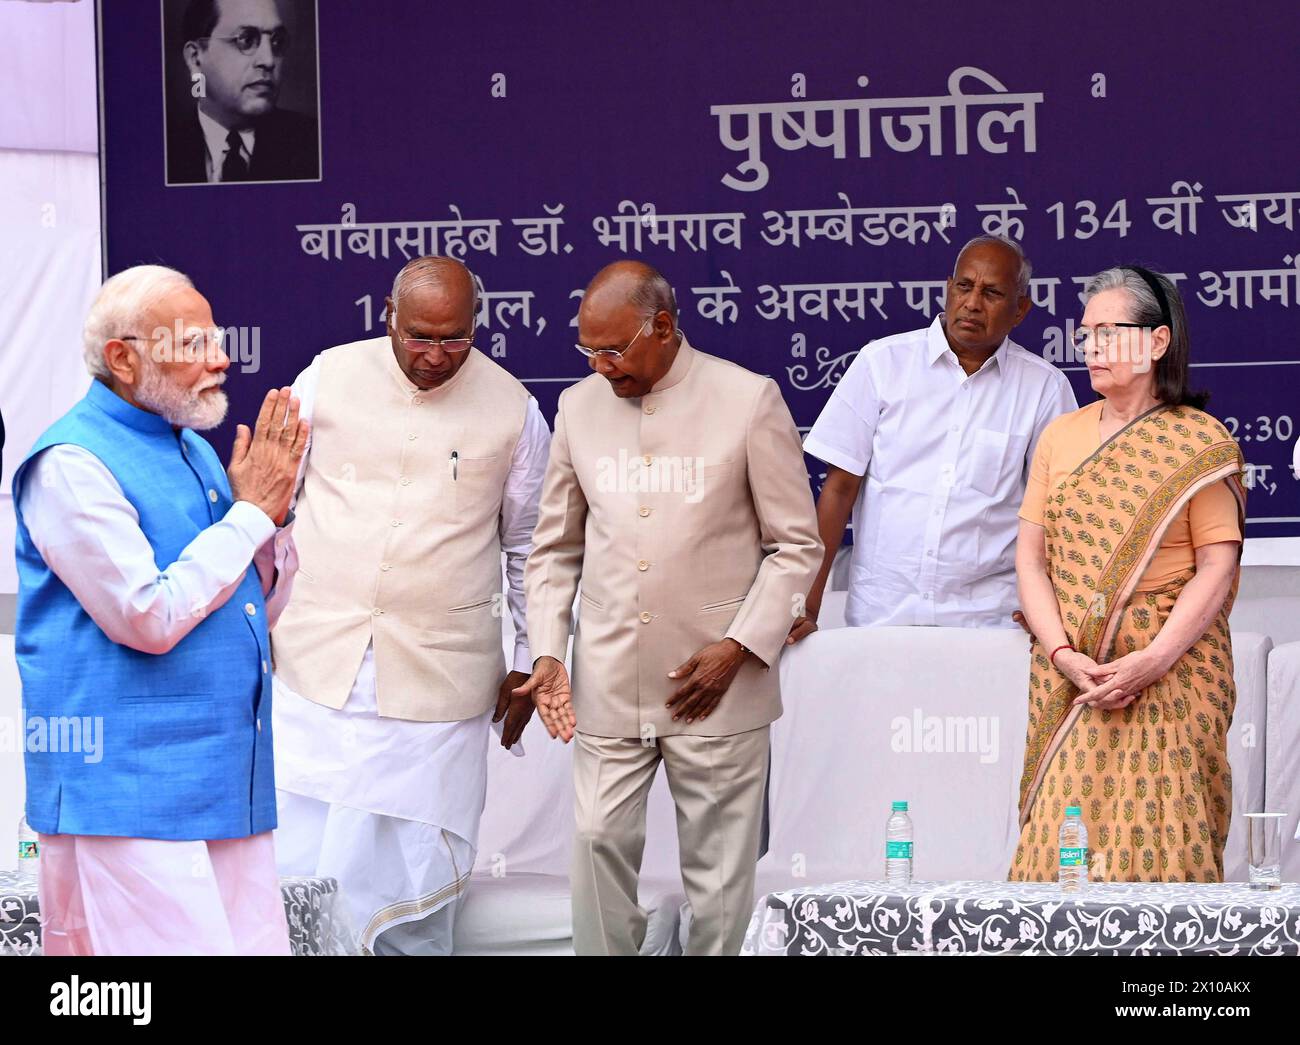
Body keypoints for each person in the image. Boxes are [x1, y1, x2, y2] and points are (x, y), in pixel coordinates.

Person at [515, 260, 822, 956]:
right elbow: (554, 550)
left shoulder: (747, 399)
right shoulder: (577, 408)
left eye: (614, 350)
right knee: (595, 843)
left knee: (719, 883)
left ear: (662, 328)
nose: (600, 366)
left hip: (716, 686)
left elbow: (796, 546)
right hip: (609, 678)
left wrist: (739, 646)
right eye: (587, 351)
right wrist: (546, 652)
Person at [13, 264, 306, 954]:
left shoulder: (193, 449)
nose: (221, 357)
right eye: (194, 341)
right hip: (128, 795)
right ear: (123, 357)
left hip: (225, 783)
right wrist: (246, 516)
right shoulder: (70, 464)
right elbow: (146, 616)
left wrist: (269, 525)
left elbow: (246, 608)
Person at [270, 256, 550, 955]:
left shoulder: (514, 407)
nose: (435, 356)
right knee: (294, 876)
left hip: (437, 691)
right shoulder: (325, 377)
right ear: (388, 317)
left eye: (455, 340)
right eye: (419, 337)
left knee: (408, 896)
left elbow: (529, 550)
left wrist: (531, 658)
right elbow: (270, 512)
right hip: (313, 674)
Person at [1009, 266, 1246, 882]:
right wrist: (1061, 652)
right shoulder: (1060, 437)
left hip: (1170, 669)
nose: (1091, 349)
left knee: (1167, 849)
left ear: (1158, 342)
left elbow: (1217, 567)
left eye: (1108, 333)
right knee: (1058, 855)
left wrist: (1154, 659)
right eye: (1086, 336)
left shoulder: (1200, 442)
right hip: (1076, 672)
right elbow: (1031, 560)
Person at [790, 235, 1077, 639]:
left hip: (989, 624)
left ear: (1021, 310)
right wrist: (808, 604)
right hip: (882, 616)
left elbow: (1055, 515)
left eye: (992, 293)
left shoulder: (1044, 388)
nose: (973, 303)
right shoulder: (882, 363)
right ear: (948, 288)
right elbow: (838, 491)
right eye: (964, 286)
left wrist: (1046, 610)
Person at [166, 0, 319, 184]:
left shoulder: (313, 144)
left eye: (276, 41)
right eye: (245, 40)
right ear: (195, 58)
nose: (269, 60)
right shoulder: (164, 147)